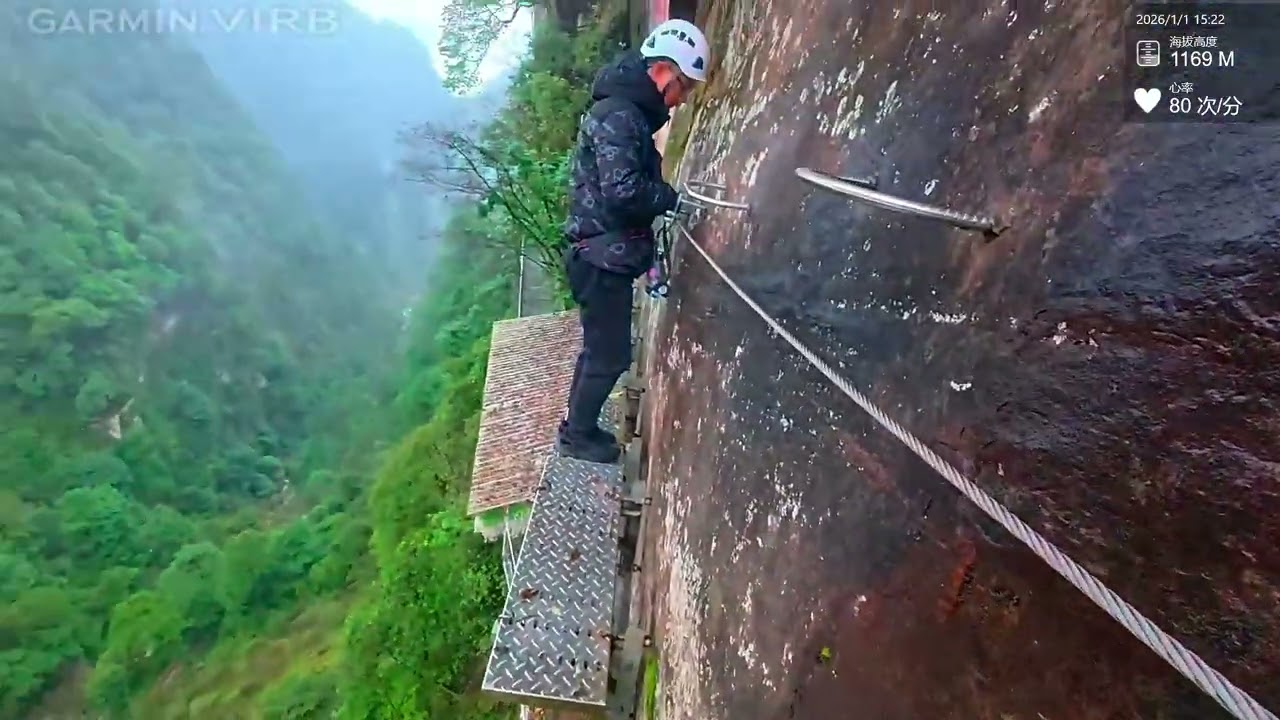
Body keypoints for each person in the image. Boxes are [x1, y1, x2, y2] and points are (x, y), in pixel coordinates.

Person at [556, 18, 710, 463]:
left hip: (601, 255)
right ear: (663, 72)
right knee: (608, 356)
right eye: (683, 86)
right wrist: (668, 199)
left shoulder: (624, 112)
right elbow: (623, 191)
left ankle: (575, 427)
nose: (682, 99)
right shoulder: (620, 116)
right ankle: (578, 436)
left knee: (599, 351)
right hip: (600, 258)